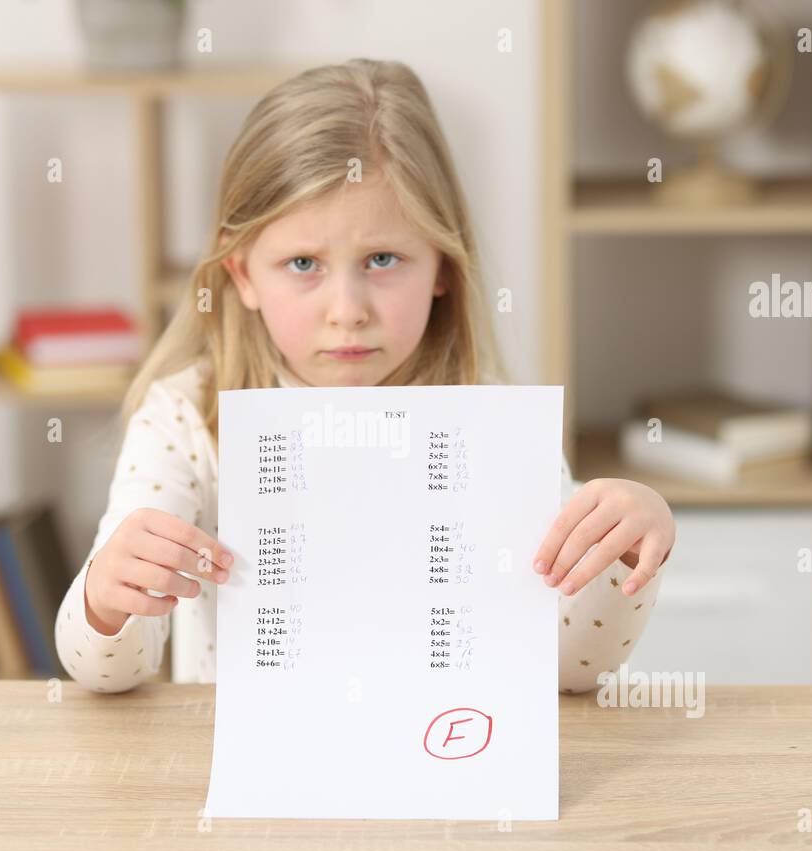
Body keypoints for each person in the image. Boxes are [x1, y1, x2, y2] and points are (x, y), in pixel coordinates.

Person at [55, 58, 675, 694]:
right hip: (258, 780)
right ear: (242, 275)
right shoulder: (185, 417)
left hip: (442, 758)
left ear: (442, 268)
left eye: (382, 259)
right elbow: (105, 669)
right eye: (303, 263)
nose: (347, 311)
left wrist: (624, 552)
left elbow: (570, 667)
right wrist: (107, 598)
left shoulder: (488, 420)